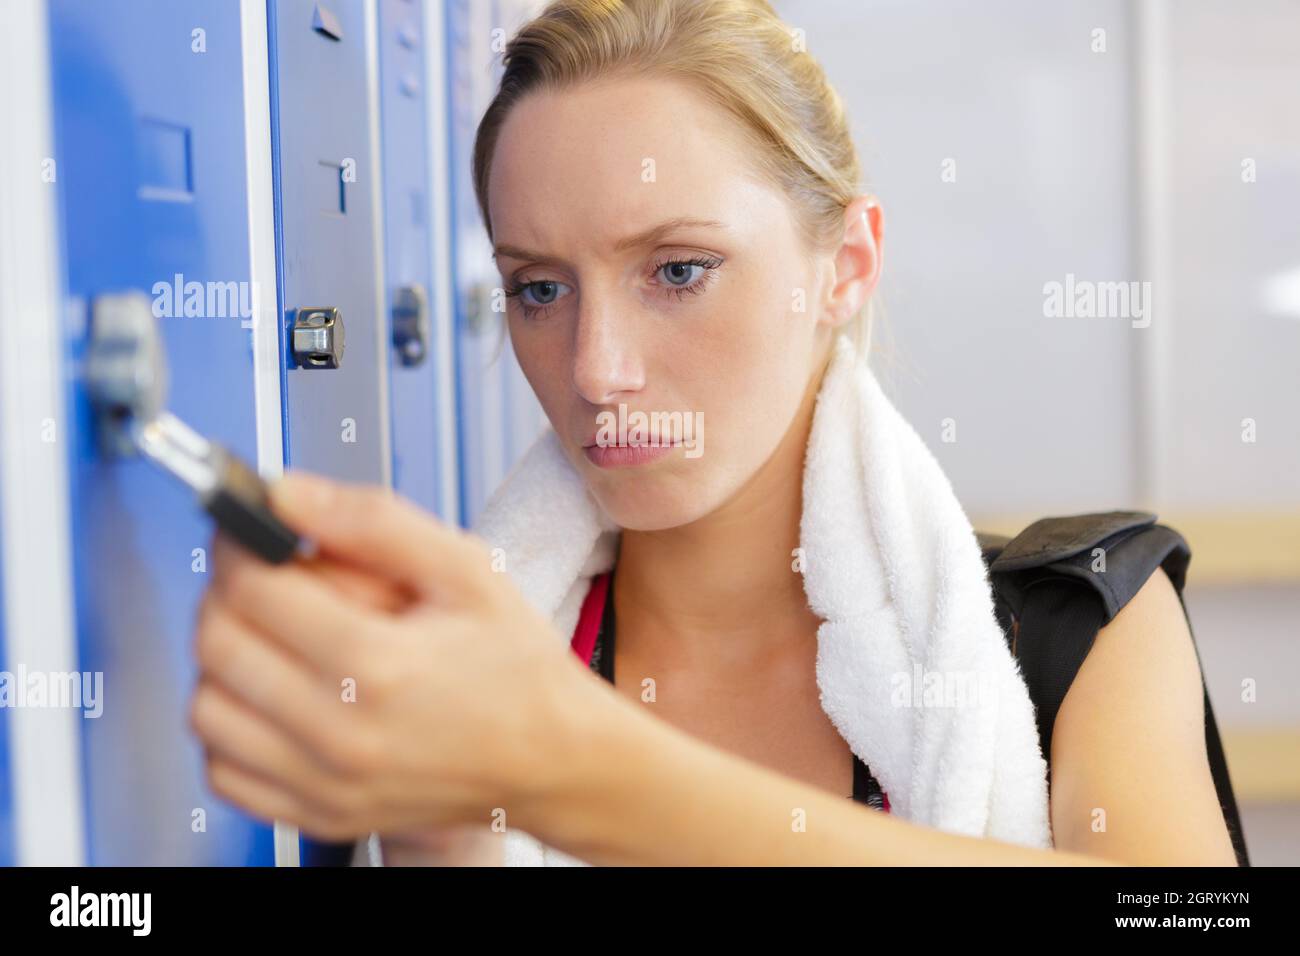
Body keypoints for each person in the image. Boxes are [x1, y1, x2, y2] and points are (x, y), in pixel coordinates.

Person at [188, 0, 1238, 866]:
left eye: (677, 270)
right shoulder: (461, 681)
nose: (599, 367)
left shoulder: (1082, 625)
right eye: (540, 287)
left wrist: (569, 770)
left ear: (846, 266)